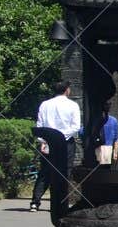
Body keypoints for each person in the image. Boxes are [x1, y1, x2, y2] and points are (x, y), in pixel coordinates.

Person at [30, 79, 82, 212]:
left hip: (48, 142)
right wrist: (61, 136)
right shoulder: (73, 105)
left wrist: (43, 140)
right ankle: (60, 202)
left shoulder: (45, 104)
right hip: (66, 142)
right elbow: (75, 126)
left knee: (45, 171)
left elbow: (40, 125)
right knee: (65, 171)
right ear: (67, 90)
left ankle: (35, 202)